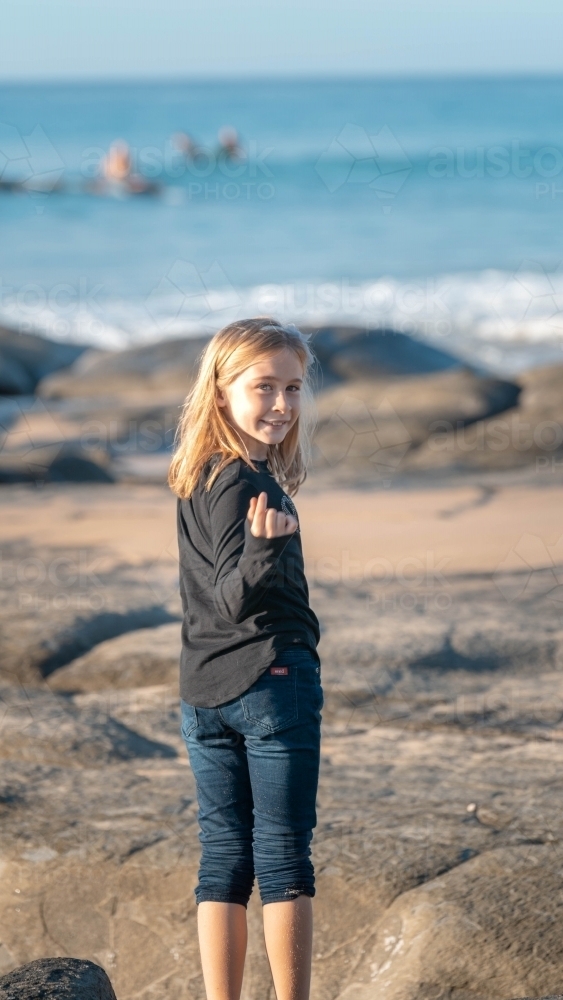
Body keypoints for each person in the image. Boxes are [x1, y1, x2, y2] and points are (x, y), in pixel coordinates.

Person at [168, 317, 323, 1000]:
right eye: (263, 387)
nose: (282, 404)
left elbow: (203, 595)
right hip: (270, 681)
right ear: (221, 390)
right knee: (283, 856)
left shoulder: (200, 473)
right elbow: (233, 596)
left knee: (224, 860)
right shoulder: (245, 485)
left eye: (292, 387)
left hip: (203, 692)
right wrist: (264, 552)